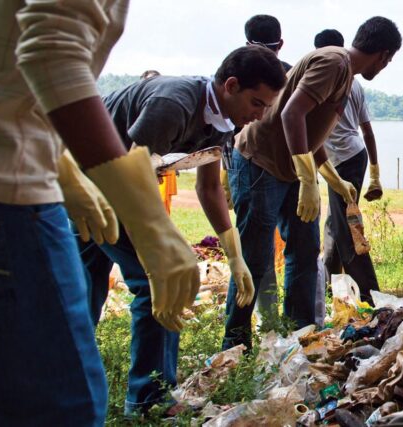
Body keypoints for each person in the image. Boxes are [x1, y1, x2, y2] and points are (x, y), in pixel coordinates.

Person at [0, 1, 199, 424]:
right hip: (0, 191)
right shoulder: (175, 99)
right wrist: (151, 225)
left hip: (8, 169)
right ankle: (147, 397)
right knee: (64, 408)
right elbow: (53, 53)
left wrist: (62, 166)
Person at [82, 45, 282, 415]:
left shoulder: (223, 121)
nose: (260, 115)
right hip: (94, 181)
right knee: (162, 278)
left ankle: (73, 379)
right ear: (232, 86)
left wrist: (235, 255)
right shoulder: (174, 103)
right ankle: (149, 398)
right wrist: (160, 246)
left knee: (84, 284)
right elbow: (127, 170)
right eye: (257, 103)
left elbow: (208, 188)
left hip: (108, 181)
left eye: (267, 107)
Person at [227, 16, 401, 351]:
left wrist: (332, 179)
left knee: (305, 253)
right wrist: (309, 178)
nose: (385, 65)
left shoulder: (344, 73)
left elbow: (308, 128)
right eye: (388, 60)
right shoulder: (335, 62)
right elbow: (291, 114)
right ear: (383, 55)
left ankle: (300, 337)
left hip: (291, 168)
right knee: (255, 258)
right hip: (260, 164)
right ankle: (235, 347)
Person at [315, 29, 384, 304]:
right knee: (333, 225)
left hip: (345, 160)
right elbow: (367, 131)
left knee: (348, 231)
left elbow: (365, 129)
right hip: (350, 157)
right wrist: (375, 169)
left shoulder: (341, 78)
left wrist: (376, 176)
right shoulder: (350, 80)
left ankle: (370, 296)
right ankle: (328, 285)